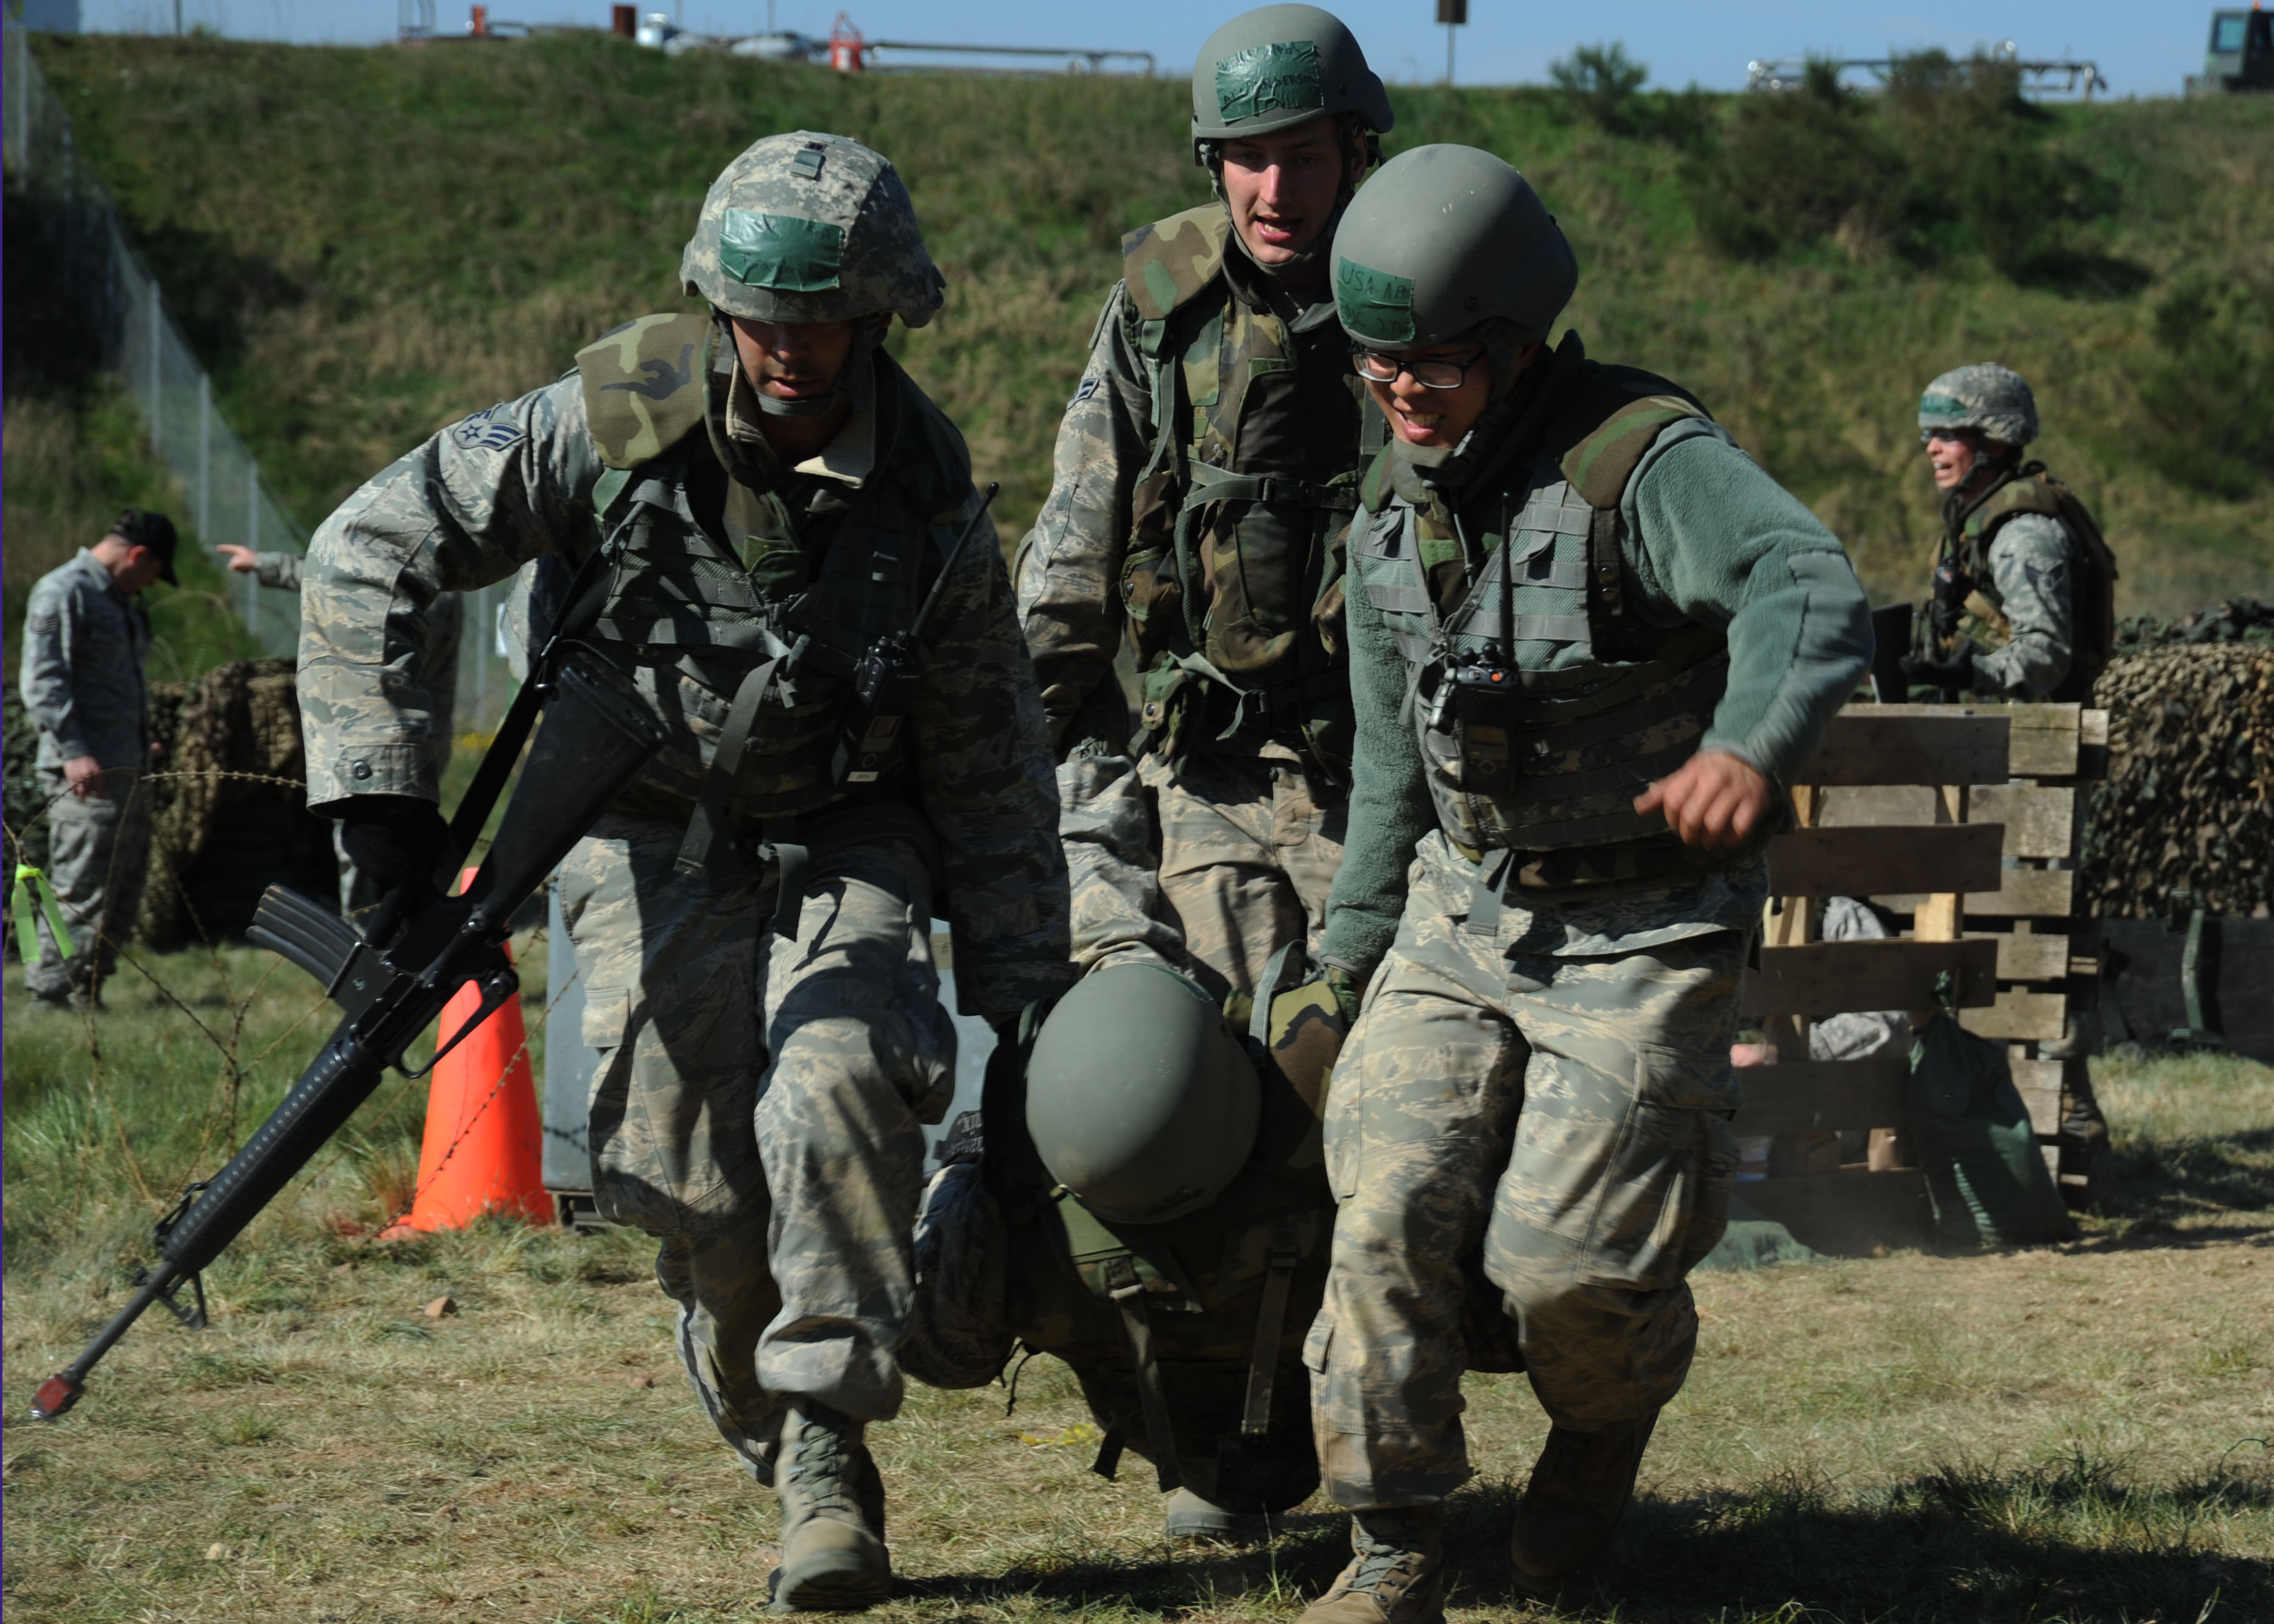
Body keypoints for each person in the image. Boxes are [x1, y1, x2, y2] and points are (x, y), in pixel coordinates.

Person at [293, 131, 1070, 1612]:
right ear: (715, 307)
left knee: (837, 1073)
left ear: (879, 312)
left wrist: (1026, 1006)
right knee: (700, 1204)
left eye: (822, 316)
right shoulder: (618, 408)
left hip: (853, 832)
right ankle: (762, 1389)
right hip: (639, 824)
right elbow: (372, 544)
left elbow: (990, 761)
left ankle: (831, 1456)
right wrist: (381, 807)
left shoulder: (928, 496)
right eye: (761, 316)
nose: (788, 348)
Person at [1302, 145, 1871, 1619]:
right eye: (1378, 364)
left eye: (1434, 363)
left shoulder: (1641, 464)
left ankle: (1602, 1424)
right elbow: (1388, 771)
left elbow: (1801, 582)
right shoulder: (1388, 513)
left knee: (1564, 1270)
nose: (1403, 392)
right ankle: (1391, 1545)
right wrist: (1341, 954)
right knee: (1379, 1210)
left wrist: (1751, 746)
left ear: (1509, 336)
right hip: (1460, 907)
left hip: (1641, 923)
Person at [978, 2, 1390, 1541]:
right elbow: (1079, 536)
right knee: (1175, 1104)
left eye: (1300, 156)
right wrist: (1025, 759)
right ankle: (1216, 1431)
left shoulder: (1431, 290)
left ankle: (1369, 1424)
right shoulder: (1159, 303)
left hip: (1384, 790)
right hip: (1196, 770)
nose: (1272, 192)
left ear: (1359, 147)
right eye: (1243, 163)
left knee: (1363, 1107)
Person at [219, 543, 464, 919]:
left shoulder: (406, 584)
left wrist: (267, 564)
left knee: (371, 862)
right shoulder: (442, 578)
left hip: (377, 751)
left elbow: (343, 580)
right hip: (414, 749)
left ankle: (372, 949)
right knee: (403, 862)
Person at [16, 509, 178, 1008]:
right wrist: (75, 751)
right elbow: (43, 681)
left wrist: (138, 740)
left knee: (121, 890)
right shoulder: (65, 592)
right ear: (138, 556)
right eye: (153, 573)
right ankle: (50, 994)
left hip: (124, 767)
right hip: (86, 776)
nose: (148, 584)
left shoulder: (118, 600)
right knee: (80, 889)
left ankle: (89, 990)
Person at [1900, 363, 2117, 704]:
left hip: (2037, 738)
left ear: (1996, 444)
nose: (1932, 448)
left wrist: (1972, 674)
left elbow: (2045, 653)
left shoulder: (2023, 538)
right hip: (1983, 730)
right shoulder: (1969, 526)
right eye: (1931, 435)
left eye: (1949, 434)